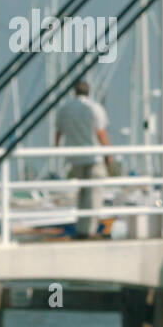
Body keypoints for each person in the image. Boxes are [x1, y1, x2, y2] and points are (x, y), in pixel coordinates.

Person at [54, 80, 113, 239]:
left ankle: (81, 228)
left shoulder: (64, 109)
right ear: (89, 91)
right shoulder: (94, 108)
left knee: (81, 194)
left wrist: (57, 148)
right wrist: (109, 152)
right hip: (94, 156)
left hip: (75, 157)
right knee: (94, 195)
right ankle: (89, 231)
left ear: (74, 91)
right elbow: (101, 133)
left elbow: (59, 132)